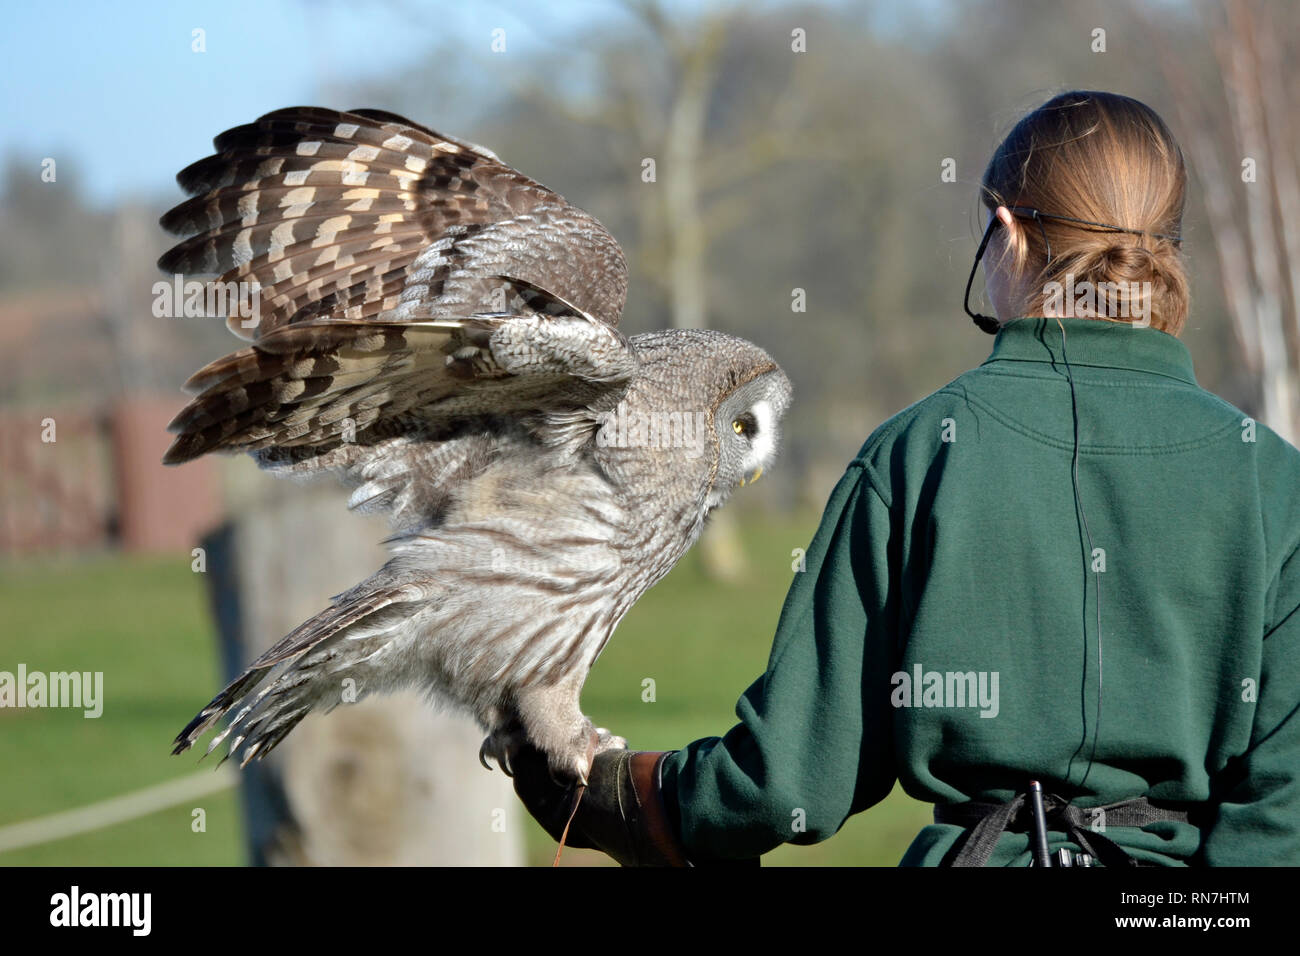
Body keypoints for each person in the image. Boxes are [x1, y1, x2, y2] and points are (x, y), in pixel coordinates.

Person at [511, 90, 1300, 867]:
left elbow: (792, 777)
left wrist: (639, 800)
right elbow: (1282, 814)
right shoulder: (1273, 480)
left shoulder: (918, 452)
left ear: (1009, 236)